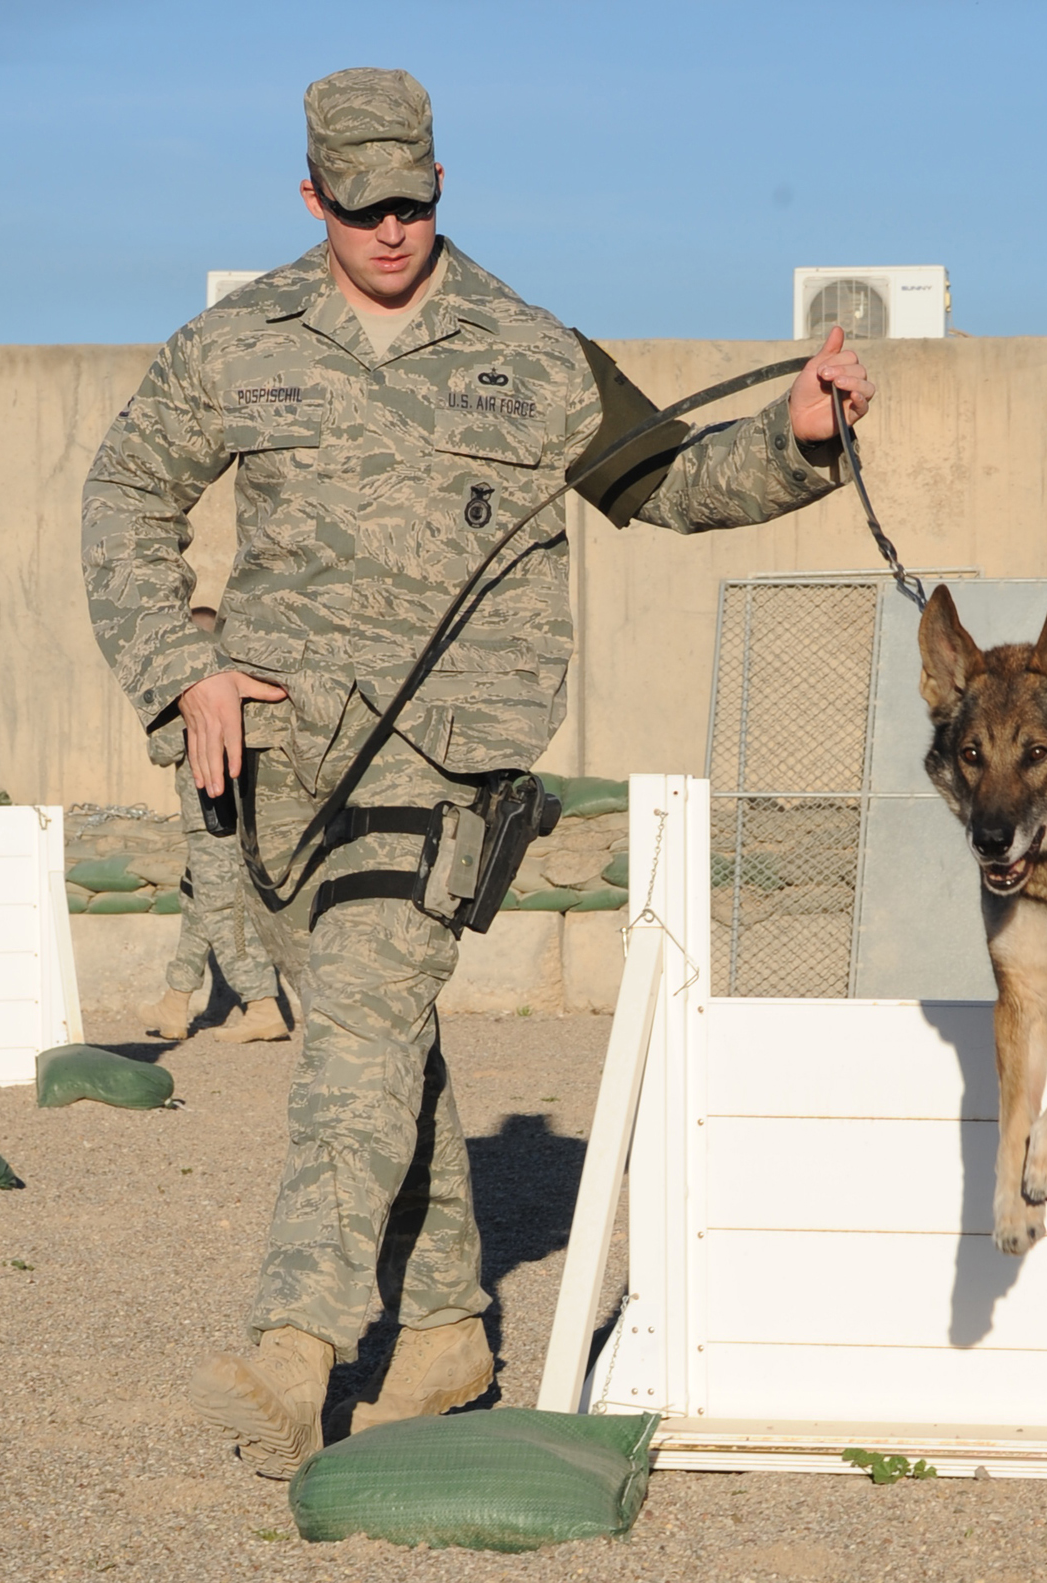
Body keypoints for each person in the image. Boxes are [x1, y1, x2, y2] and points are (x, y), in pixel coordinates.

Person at [82, 66, 875, 1479]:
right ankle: (449, 1324)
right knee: (376, 1047)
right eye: (361, 204)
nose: (391, 229)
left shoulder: (529, 347)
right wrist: (180, 665)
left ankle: (296, 1342)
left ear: (442, 187)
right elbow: (127, 493)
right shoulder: (235, 342)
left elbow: (669, 480)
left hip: (442, 766)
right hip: (271, 764)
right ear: (310, 194)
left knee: (363, 1022)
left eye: (413, 202)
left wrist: (800, 440)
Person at [139, 605, 289, 1044]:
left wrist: (165, 704)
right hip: (227, 816)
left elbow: (162, 750)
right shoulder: (240, 681)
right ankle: (175, 1000)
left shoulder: (200, 690)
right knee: (197, 904)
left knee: (223, 909)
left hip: (212, 819)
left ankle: (262, 1005)